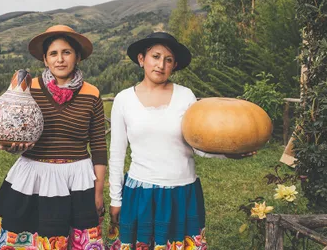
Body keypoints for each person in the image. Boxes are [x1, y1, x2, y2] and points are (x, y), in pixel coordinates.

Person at [107, 32, 253, 250]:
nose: (161, 65)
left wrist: (228, 152)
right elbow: (117, 154)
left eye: (168, 60)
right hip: (141, 194)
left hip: (182, 191)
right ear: (141, 59)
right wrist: (115, 199)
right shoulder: (123, 99)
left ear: (174, 65)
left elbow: (198, 144)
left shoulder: (186, 96)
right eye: (155, 56)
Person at [0, 25, 107, 250]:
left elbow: (98, 146)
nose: (60, 59)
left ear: (77, 57)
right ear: (45, 59)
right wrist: (13, 147)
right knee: (26, 235)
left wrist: (98, 192)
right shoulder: (28, 88)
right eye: (53, 53)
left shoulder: (92, 93)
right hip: (33, 176)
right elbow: (13, 128)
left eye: (67, 52)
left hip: (76, 179)